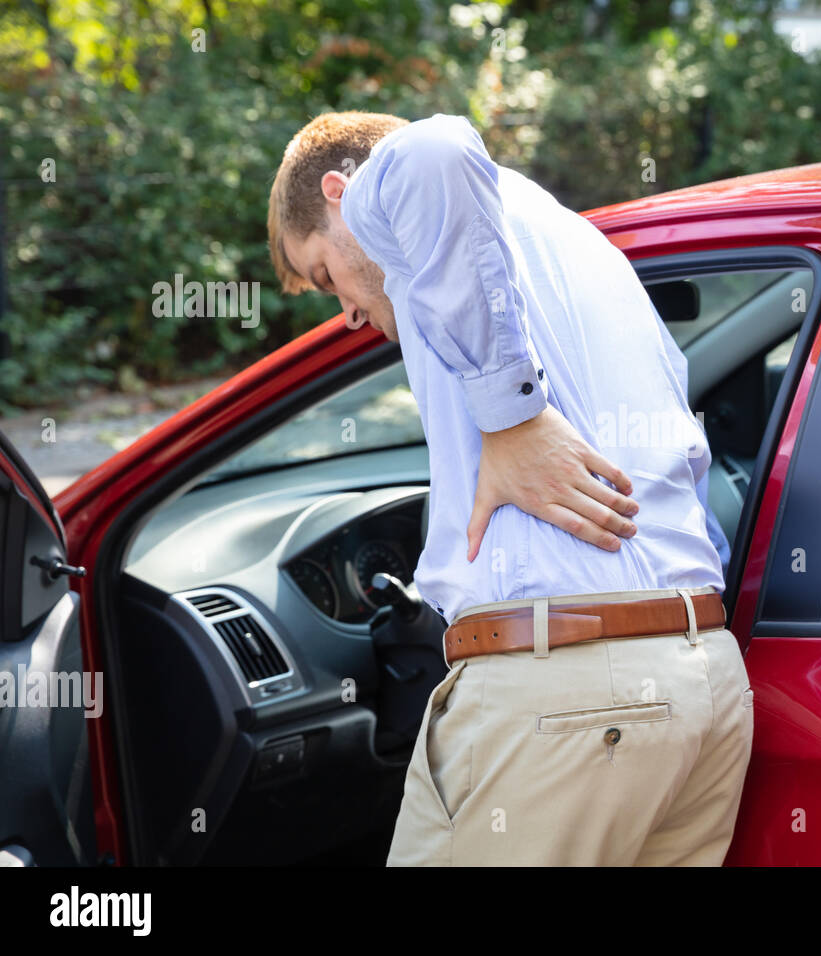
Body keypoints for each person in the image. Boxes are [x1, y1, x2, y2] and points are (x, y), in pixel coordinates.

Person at [266, 110, 751, 866]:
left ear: (342, 192)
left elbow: (434, 148)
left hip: (571, 698)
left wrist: (510, 413)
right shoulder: (588, 251)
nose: (349, 312)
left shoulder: (390, 187)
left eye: (326, 274)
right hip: (706, 683)